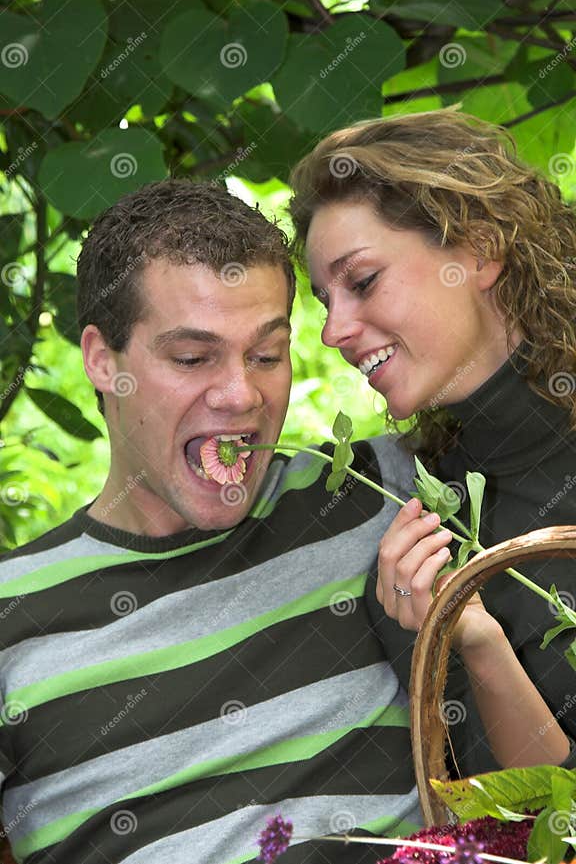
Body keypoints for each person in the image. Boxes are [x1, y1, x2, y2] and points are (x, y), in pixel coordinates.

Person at [0, 179, 567, 864]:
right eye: (192, 357)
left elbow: (524, 417)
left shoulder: (378, 496)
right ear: (101, 359)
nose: (241, 394)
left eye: (267, 354)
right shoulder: (13, 611)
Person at [289, 106, 576, 775]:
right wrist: (471, 637)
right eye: (325, 300)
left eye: (361, 282)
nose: (333, 332)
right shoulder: (424, 548)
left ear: (478, 249)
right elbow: (522, 820)